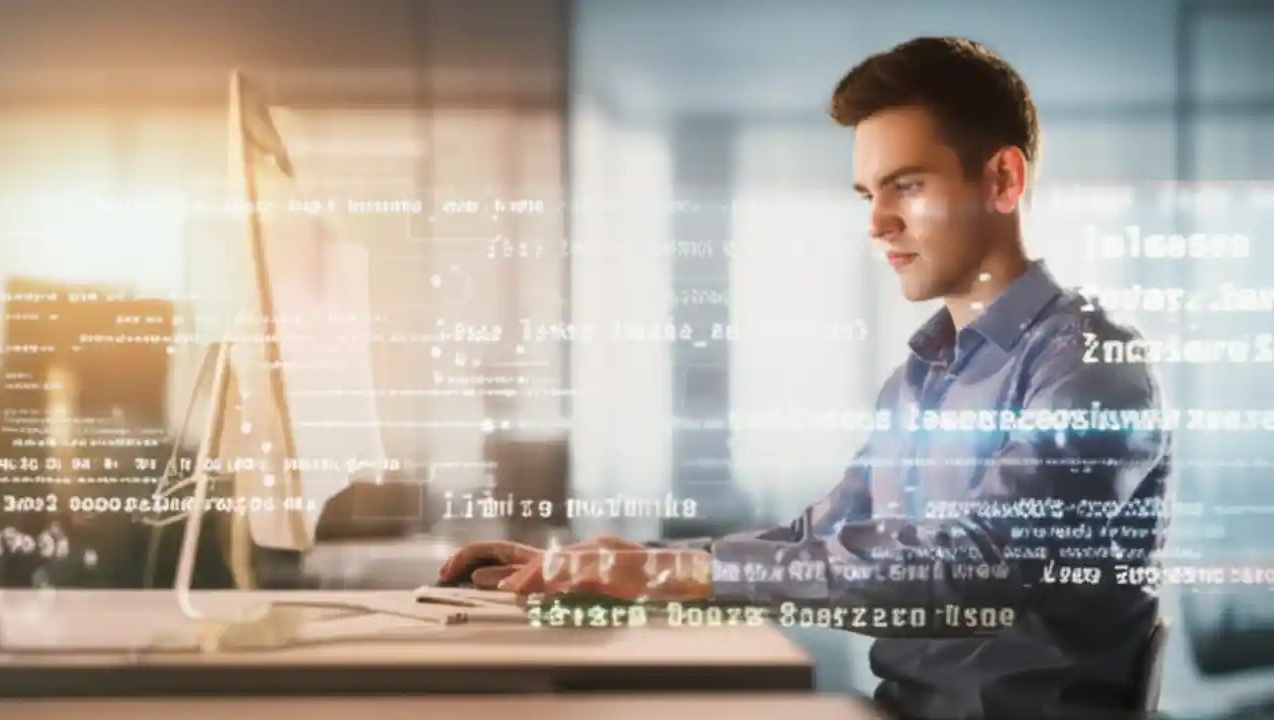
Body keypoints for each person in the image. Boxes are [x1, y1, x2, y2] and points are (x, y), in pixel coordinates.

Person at [440, 36, 1171, 720]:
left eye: (906, 185)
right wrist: (622, 564)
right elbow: (825, 533)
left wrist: (679, 577)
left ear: (1003, 179)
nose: (879, 222)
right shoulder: (926, 373)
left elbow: (972, 571)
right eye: (867, 195)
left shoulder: (1093, 364)